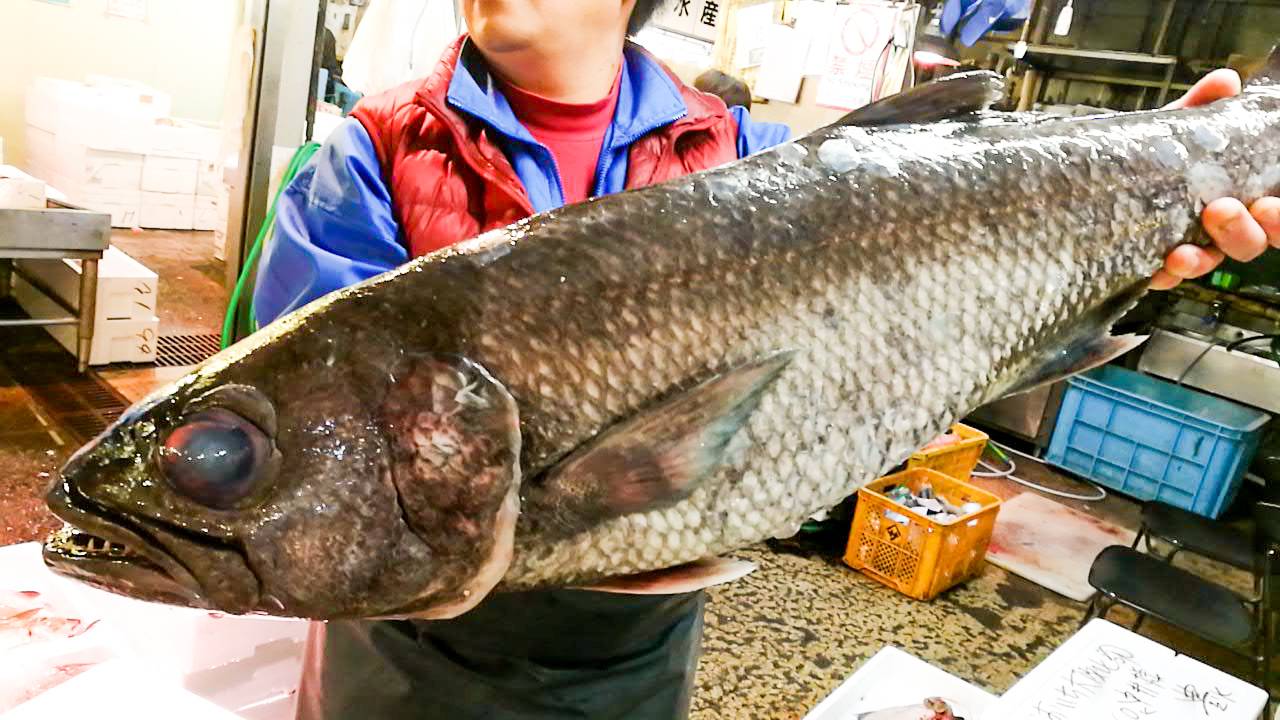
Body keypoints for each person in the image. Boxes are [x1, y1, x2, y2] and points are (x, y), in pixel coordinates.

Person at [252, 0, 1279, 714]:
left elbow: (918, 310)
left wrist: (1150, 203)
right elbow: (316, 467)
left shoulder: (734, 149)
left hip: (636, 649)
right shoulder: (373, 150)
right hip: (407, 656)